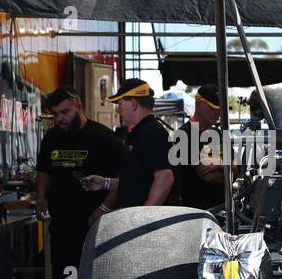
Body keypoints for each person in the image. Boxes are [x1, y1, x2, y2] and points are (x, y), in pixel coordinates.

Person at [35, 86, 126, 279]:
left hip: (96, 229)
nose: (60, 119)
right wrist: (40, 196)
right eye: (55, 115)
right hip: (63, 228)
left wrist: (104, 209)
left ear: (78, 106)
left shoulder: (104, 138)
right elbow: (43, 170)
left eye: (65, 112)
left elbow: (125, 181)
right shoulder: (52, 139)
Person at [83, 78, 178, 210]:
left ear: (133, 104)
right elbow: (138, 182)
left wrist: (145, 217)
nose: (117, 111)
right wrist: (105, 183)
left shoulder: (151, 131)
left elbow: (165, 178)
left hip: (146, 223)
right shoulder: (139, 132)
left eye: (120, 104)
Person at [173, 83, 226, 211]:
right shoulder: (183, 135)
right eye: (213, 108)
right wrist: (225, 166)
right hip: (195, 211)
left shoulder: (217, 134)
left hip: (221, 209)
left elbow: (235, 171)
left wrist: (217, 164)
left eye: (220, 108)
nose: (218, 112)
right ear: (199, 104)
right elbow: (206, 176)